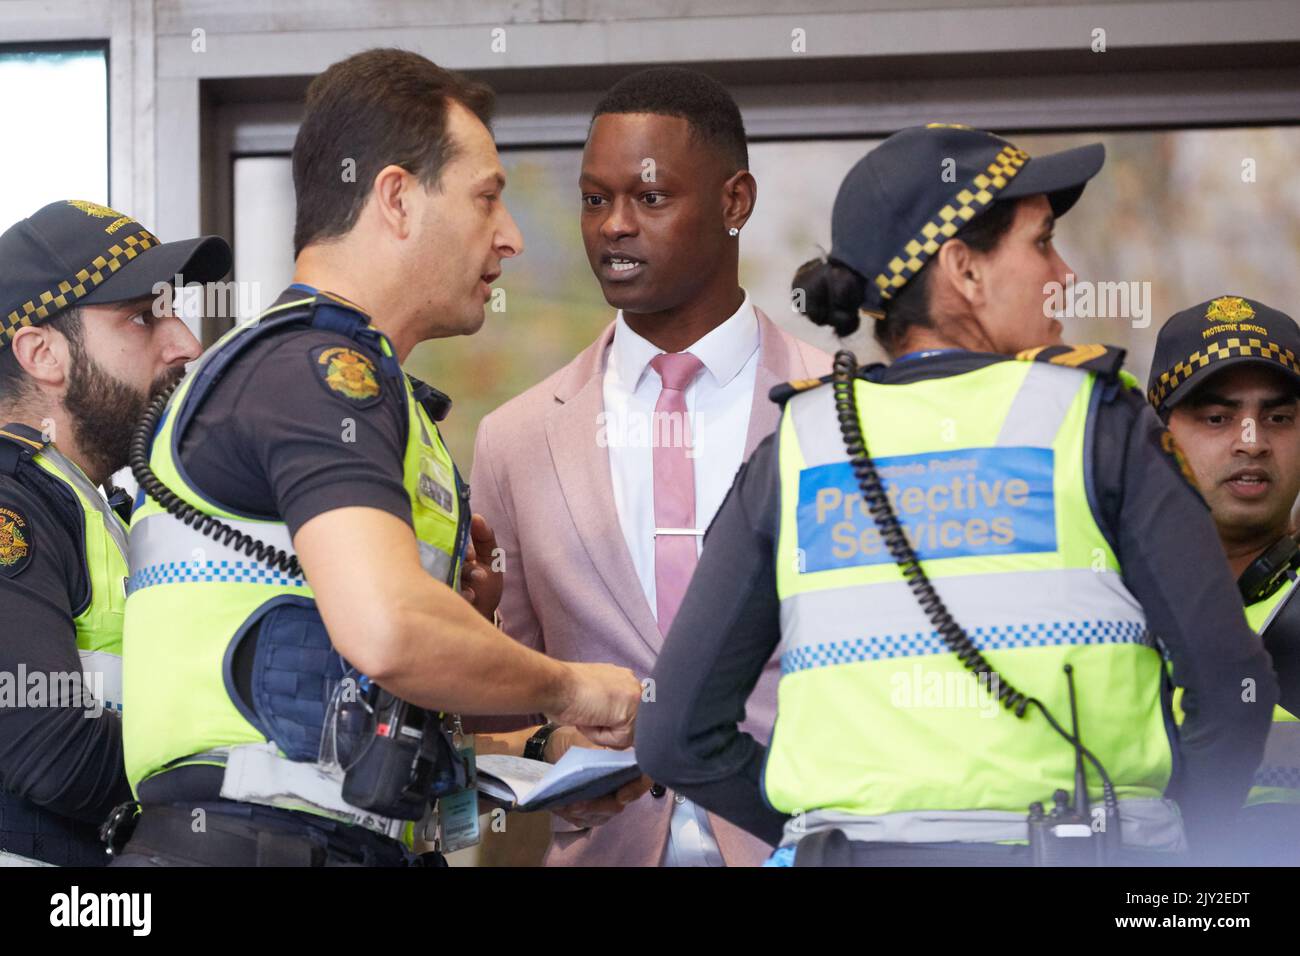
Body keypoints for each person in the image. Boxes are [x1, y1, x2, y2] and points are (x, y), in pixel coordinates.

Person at [636, 123, 1277, 866]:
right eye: (1041, 243)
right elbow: (1233, 690)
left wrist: (821, 833)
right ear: (964, 269)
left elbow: (674, 732)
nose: (1064, 273)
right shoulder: (1099, 425)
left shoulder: (799, 448)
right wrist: (1165, 837)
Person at [111, 49, 641, 868]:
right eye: (488, 199)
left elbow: (361, 699)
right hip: (255, 844)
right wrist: (574, 686)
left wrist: (535, 747)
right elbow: (389, 631)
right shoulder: (314, 373)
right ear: (395, 197)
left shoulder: (379, 394)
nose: (511, 239)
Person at [467, 66, 830, 866]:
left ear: (735, 202)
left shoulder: (842, 413)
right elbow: (493, 694)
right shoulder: (516, 438)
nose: (614, 227)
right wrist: (547, 744)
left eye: (650, 198)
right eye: (595, 200)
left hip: (804, 843)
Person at [0, 199, 226, 864]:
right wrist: (251, 778)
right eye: (142, 316)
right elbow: (51, 751)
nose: (186, 343)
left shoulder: (97, 505)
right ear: (43, 353)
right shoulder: (13, 507)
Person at [1148, 294, 1300, 864]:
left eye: (1278, 417)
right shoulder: (1102, 607)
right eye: (1217, 417)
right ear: (1158, 438)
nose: (1251, 440)